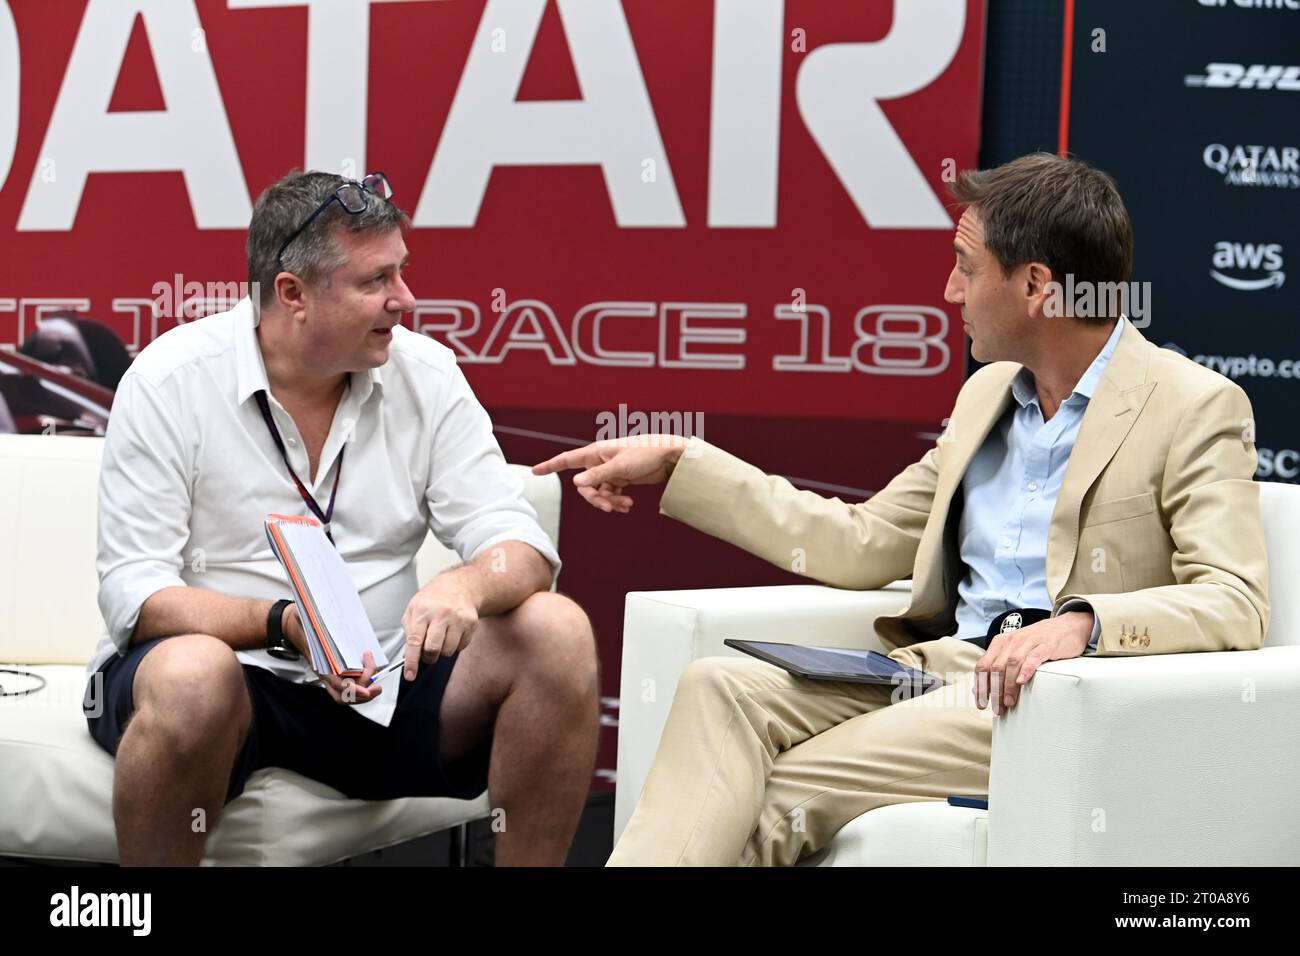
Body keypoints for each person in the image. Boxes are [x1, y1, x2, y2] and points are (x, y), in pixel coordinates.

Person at [534, 152, 1269, 866]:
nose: (950, 290)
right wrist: (681, 464)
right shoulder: (987, 396)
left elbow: (1233, 600)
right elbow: (860, 541)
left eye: (966, 266)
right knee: (717, 684)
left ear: (1037, 285)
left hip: (1034, 698)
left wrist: (1082, 625)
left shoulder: (1193, 406)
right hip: (931, 670)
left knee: (776, 791)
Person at [84, 170, 599, 866]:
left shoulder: (429, 375)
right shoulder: (170, 380)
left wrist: (465, 586)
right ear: (292, 294)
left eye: (402, 271)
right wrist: (285, 624)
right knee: (190, 677)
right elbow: (135, 593)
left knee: (555, 628)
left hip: (387, 679)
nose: (405, 300)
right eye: (375, 281)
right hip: (237, 679)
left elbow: (521, 545)